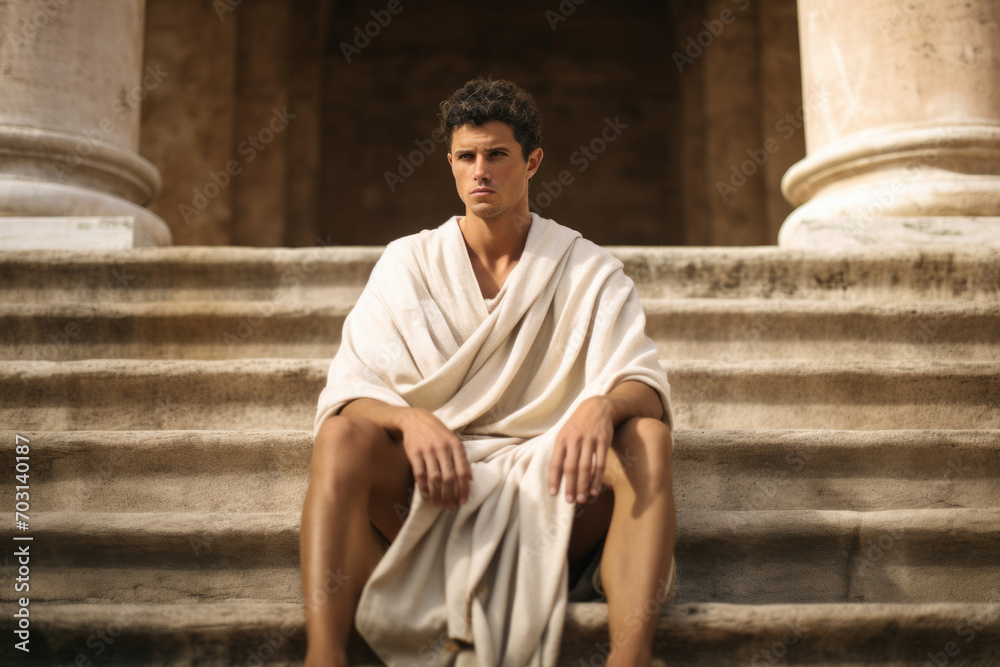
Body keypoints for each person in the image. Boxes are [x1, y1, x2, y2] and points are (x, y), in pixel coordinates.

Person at [300, 76, 676, 667]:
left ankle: (630, 657)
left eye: (497, 155)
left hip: (553, 483)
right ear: (449, 164)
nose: (481, 170)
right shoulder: (408, 263)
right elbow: (350, 389)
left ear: (532, 163)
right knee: (340, 437)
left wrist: (601, 406)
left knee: (645, 437)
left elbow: (643, 385)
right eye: (467, 156)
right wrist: (409, 419)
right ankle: (325, 657)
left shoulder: (586, 268)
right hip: (432, 484)